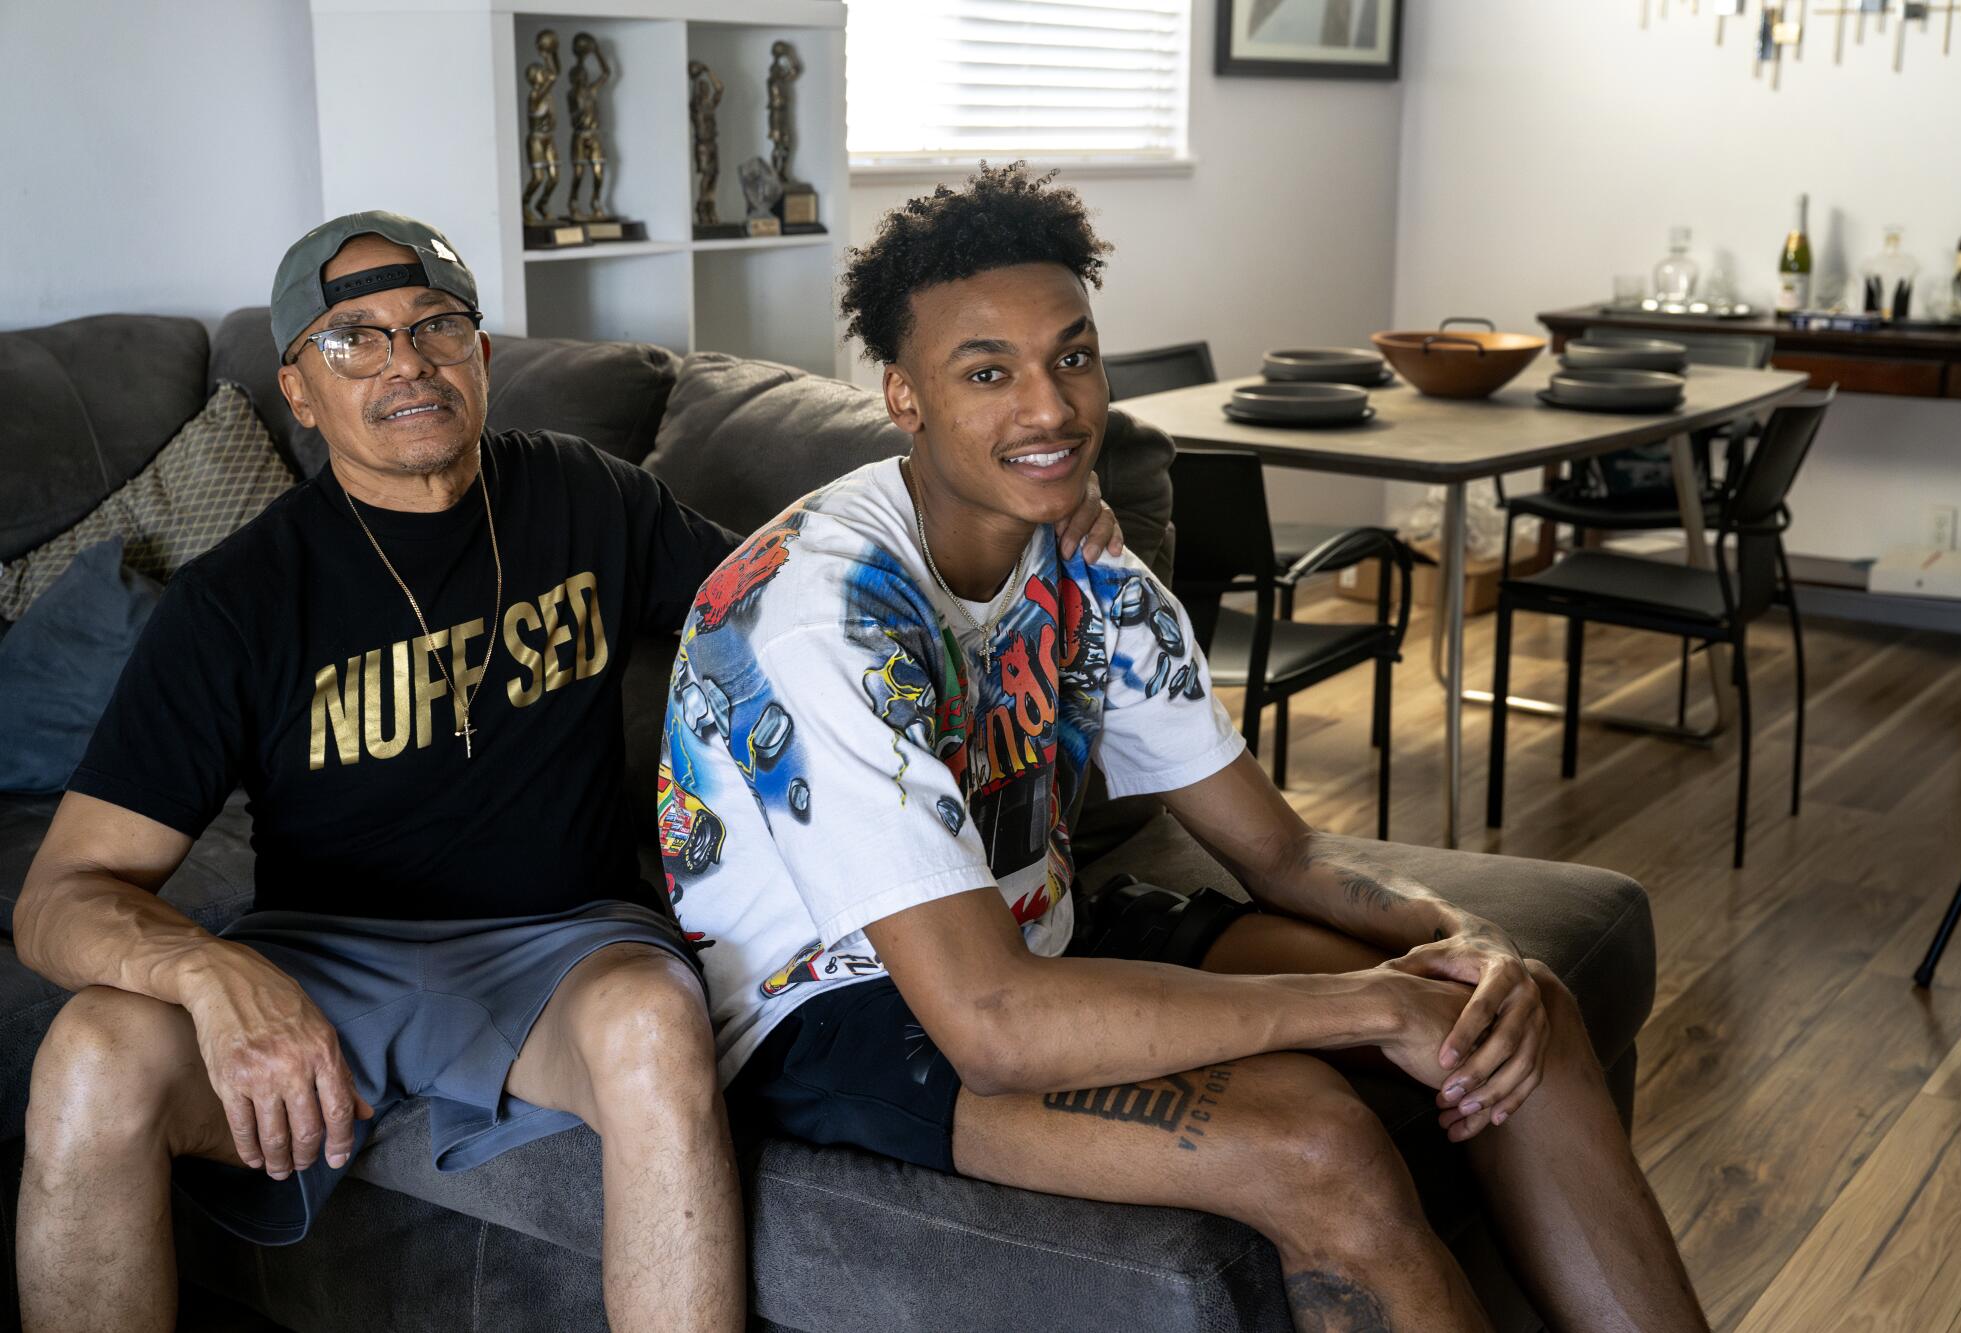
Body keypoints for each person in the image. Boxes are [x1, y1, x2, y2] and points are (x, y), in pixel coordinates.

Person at [9, 206, 1130, 1332]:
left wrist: (1019, 500)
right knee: (91, 1050)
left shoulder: (588, 498)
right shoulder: (234, 604)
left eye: (437, 324)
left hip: (566, 944)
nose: (406, 360)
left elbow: (802, 597)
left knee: (653, 1027)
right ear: (298, 389)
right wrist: (212, 976)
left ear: (482, 356)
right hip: (320, 956)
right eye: (353, 338)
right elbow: (59, 901)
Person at [665, 166, 1710, 1333]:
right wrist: (1368, 1007)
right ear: (904, 398)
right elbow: (992, 1024)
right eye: (986, 372)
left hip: (1032, 932)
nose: (1050, 409)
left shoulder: (1088, 564)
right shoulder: (827, 613)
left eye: (1072, 356)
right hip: (840, 1010)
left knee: (1511, 1006)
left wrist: (1457, 941)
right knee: (1316, 1140)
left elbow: (1282, 852)